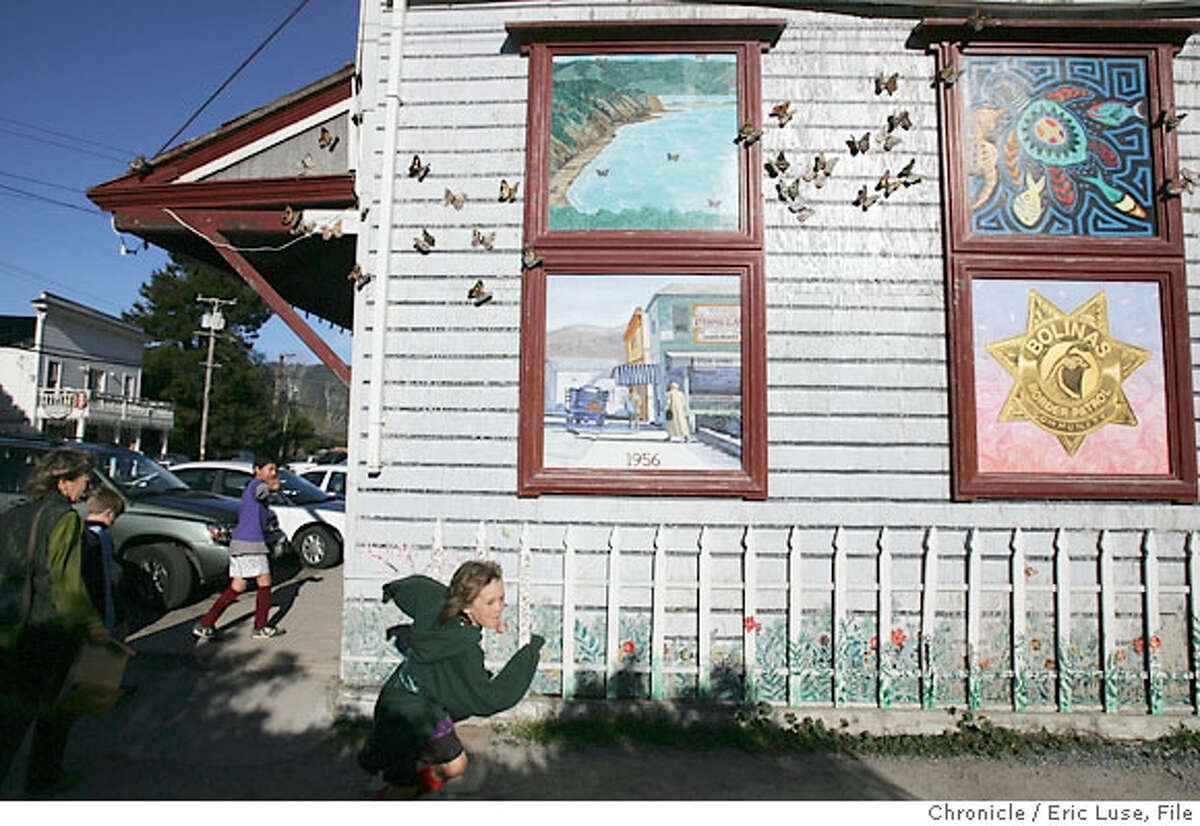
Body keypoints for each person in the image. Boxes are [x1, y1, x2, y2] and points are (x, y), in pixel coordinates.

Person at [358, 560, 544, 798]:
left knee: (434, 768)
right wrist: (530, 653)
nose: (499, 608)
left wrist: (392, 590)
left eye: (501, 599)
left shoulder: (441, 605)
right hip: (412, 713)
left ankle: (399, 788)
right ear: (466, 606)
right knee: (431, 774)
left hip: (403, 698)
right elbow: (488, 699)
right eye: (490, 602)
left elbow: (416, 587)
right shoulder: (465, 651)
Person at [0, 448, 107, 796]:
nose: (88, 488)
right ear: (63, 483)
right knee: (56, 709)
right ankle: (43, 779)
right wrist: (93, 625)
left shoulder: (15, 514)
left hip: (11, 623)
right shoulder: (65, 519)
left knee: (10, 713)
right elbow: (66, 583)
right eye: (85, 481)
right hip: (48, 627)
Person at [192, 458, 282, 640]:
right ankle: (260, 627)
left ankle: (206, 623)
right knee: (264, 583)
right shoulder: (256, 485)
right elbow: (262, 490)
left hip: (240, 543)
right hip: (251, 544)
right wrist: (272, 486)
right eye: (270, 469)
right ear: (257, 470)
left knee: (238, 586)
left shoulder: (253, 487)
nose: (273, 473)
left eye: (275, 469)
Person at [81, 487, 126, 640]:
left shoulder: (81, 533)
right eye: (115, 517)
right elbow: (107, 578)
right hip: (103, 612)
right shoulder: (101, 538)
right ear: (109, 514)